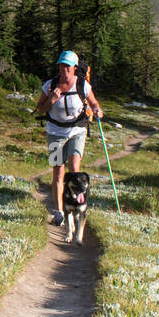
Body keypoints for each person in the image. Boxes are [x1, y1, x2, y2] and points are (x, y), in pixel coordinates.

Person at [34, 51, 103, 225]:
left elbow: (94, 103)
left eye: (67, 67)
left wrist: (97, 110)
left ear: (74, 68)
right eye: (61, 66)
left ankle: (74, 208)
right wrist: (51, 100)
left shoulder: (82, 85)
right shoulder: (50, 86)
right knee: (58, 172)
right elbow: (40, 110)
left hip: (76, 131)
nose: (64, 70)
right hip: (55, 133)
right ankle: (58, 213)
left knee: (74, 169)